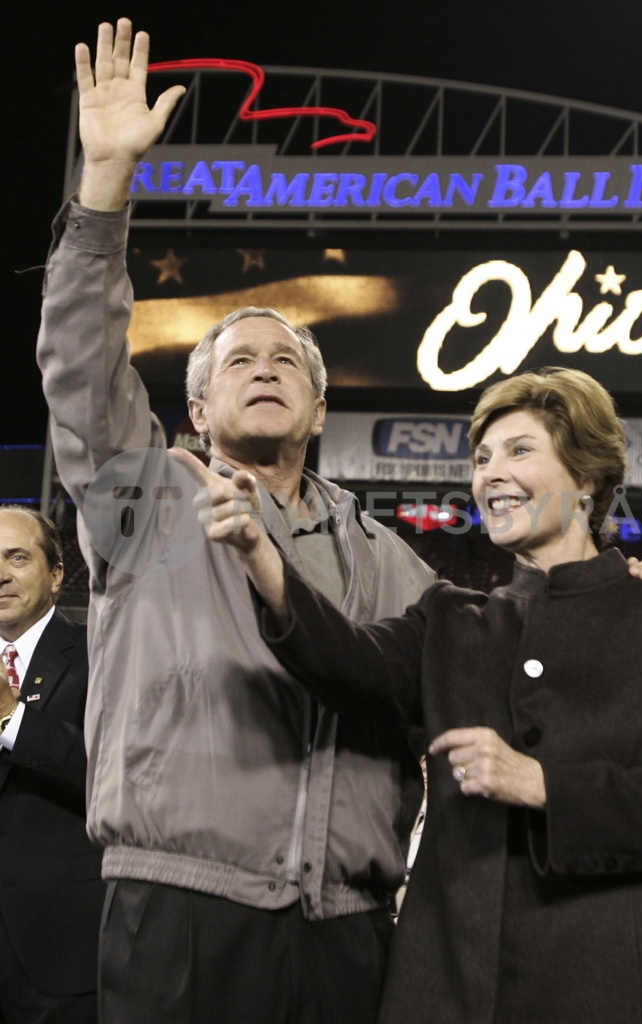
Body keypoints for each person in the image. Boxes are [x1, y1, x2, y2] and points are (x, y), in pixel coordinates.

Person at [36, 18, 442, 1024]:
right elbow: (83, 365)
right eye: (238, 364)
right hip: (182, 910)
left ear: (317, 409)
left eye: (286, 364)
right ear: (199, 411)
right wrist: (102, 192)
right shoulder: (154, 505)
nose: (264, 369)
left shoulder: (393, 561)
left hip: (349, 924)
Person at [191, 366, 642, 1024]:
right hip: (448, 986)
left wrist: (542, 783)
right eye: (481, 458)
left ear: (588, 475)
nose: (489, 473)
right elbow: (346, 661)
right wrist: (261, 554)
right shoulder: (449, 619)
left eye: (519, 450)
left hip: (610, 983)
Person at [0, 506, 104, 1024]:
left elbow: (112, 770)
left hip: (59, 943)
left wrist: (10, 717)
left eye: (16, 557)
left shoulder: (100, 654)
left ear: (57, 574)